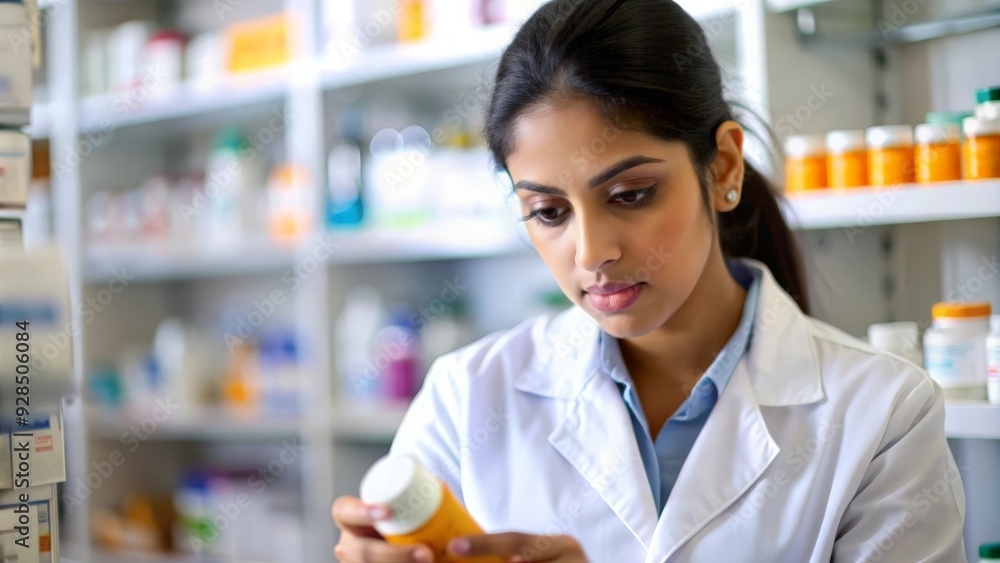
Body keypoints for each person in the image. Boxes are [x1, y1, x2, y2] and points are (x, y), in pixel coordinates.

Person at [332, 0, 967, 561]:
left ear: (721, 167)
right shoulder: (464, 399)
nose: (592, 252)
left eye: (631, 195)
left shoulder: (884, 413)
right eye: (549, 212)